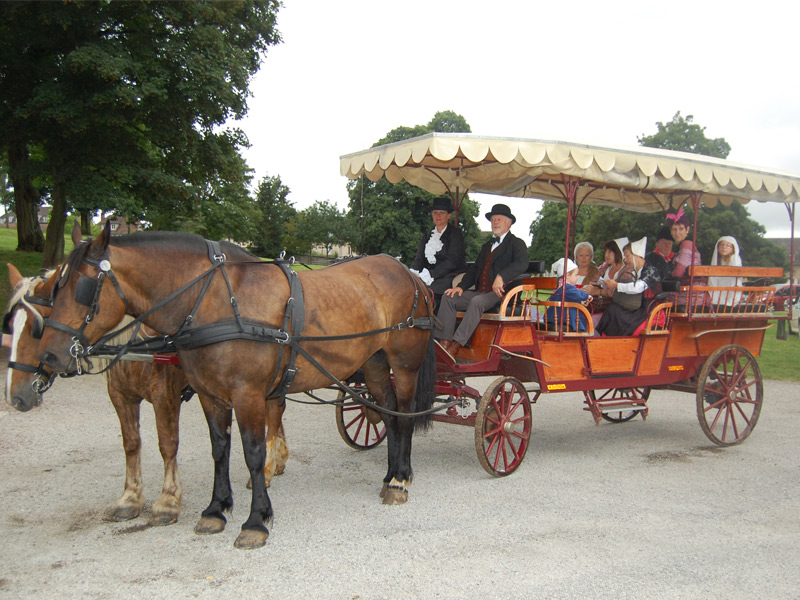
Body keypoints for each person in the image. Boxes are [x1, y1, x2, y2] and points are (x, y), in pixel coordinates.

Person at [436, 203, 529, 358]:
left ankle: (456, 345)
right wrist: (460, 287)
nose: (495, 222)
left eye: (499, 219)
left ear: (509, 222)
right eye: (493, 220)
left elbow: (521, 264)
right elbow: (474, 270)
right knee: (449, 297)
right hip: (481, 292)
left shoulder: (517, 244)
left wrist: (501, 277)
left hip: (502, 294)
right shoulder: (487, 246)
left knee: (477, 302)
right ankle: (444, 342)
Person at [409, 197, 467, 309]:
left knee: (428, 290)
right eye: (435, 213)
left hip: (450, 274)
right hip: (429, 274)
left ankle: (434, 322)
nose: (438, 216)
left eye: (442, 213)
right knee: (410, 286)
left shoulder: (456, 234)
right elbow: (419, 258)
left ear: (449, 215)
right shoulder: (427, 235)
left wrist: (430, 275)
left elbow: (451, 262)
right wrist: (412, 272)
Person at [596, 237, 660, 336]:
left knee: (614, 311)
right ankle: (609, 343)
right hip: (637, 308)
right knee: (612, 309)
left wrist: (616, 285)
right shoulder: (637, 271)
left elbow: (638, 288)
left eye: (627, 256)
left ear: (637, 256)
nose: (625, 260)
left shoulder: (650, 271)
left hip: (647, 310)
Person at [667, 207, 705, 309]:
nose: (677, 232)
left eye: (681, 229)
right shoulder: (685, 246)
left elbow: (679, 272)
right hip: (693, 294)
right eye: (674, 229)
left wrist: (667, 275)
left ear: (687, 230)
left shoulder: (686, 245)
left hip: (689, 296)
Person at [546, 258, 593, 332]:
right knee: (580, 318)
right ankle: (582, 336)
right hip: (563, 319)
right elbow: (578, 294)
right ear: (567, 275)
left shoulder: (559, 286)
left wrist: (580, 302)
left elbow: (568, 299)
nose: (577, 277)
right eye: (576, 275)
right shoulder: (566, 287)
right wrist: (587, 296)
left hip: (553, 317)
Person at [708, 236, 743, 310]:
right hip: (718, 293)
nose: (724, 247)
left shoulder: (735, 259)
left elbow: (736, 279)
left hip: (731, 293)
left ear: (733, 248)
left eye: (728, 245)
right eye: (722, 245)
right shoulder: (716, 261)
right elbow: (712, 280)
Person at [643, 226, 675, 300]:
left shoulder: (676, 258)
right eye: (664, 243)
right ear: (656, 245)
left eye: (669, 244)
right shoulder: (650, 258)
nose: (667, 247)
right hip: (656, 296)